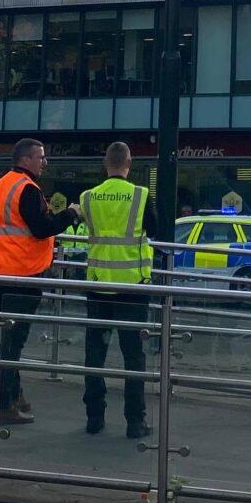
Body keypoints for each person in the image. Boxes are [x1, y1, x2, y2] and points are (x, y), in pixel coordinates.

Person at [0, 139, 70, 426]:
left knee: (9, 339)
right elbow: (43, 229)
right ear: (26, 159)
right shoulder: (27, 190)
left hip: (1, 274)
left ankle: (13, 395)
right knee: (13, 343)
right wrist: (70, 215)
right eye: (41, 157)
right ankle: (1, 403)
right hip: (25, 275)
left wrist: (6, 248)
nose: (44, 162)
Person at [79, 140, 157, 440]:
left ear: (105, 164)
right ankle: (135, 423)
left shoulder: (88, 197)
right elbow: (156, 229)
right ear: (129, 163)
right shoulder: (140, 195)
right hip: (132, 288)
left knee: (94, 354)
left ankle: (94, 418)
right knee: (133, 358)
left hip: (98, 284)